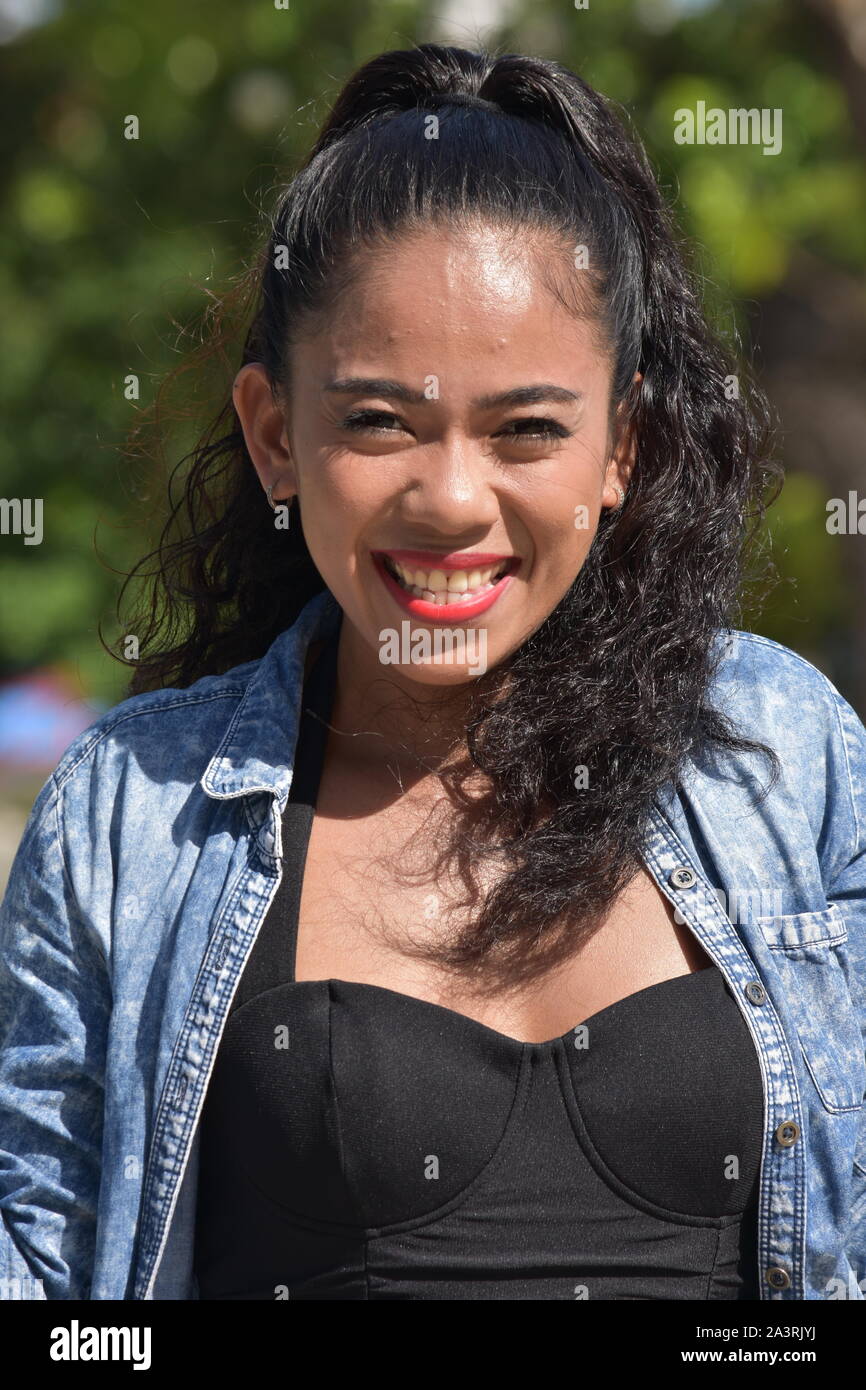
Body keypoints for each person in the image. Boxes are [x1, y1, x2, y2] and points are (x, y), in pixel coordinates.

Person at [1, 42, 864, 1303]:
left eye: (526, 429)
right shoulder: (130, 817)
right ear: (274, 435)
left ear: (620, 445)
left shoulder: (791, 756)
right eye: (377, 422)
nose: (452, 498)